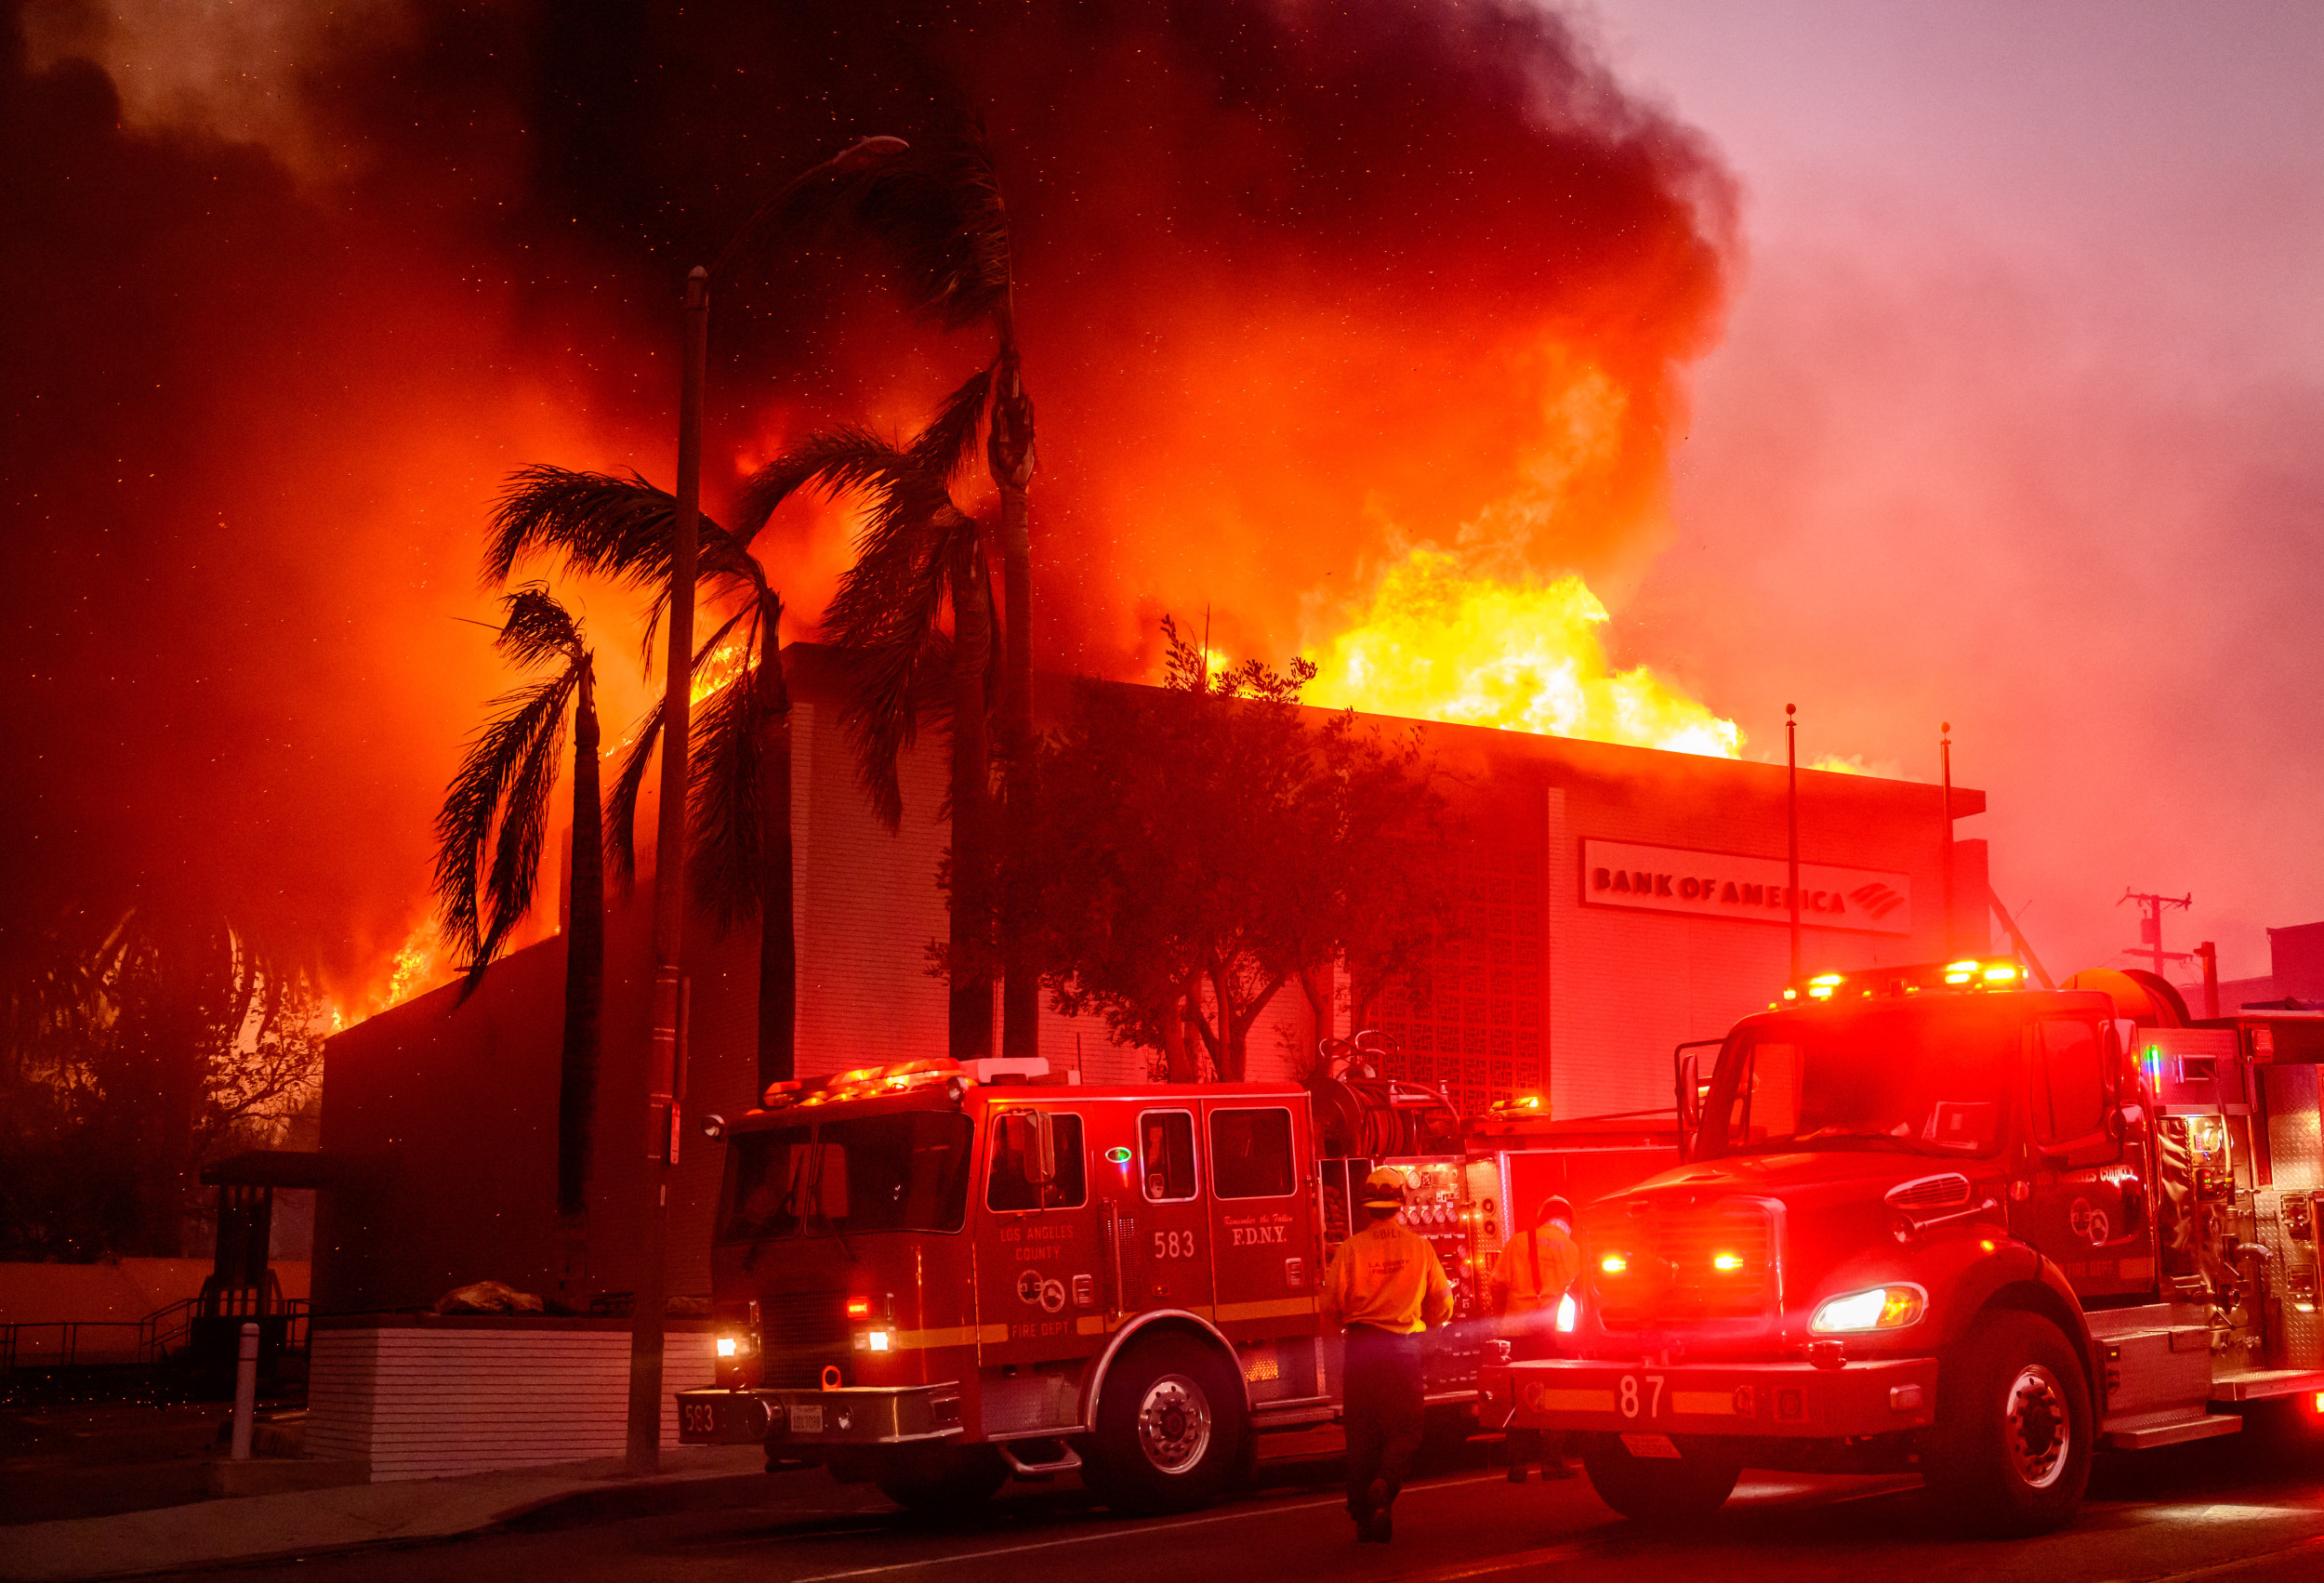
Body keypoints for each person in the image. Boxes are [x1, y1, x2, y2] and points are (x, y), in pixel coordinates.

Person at [1319, 1167, 1454, 1544]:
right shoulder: (1419, 1248)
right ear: (1402, 1203)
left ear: (1367, 1208)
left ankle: (1364, 1515)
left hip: (1361, 1350)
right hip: (1401, 1351)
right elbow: (1444, 1304)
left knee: (1362, 1436)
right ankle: (1385, 1487)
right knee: (1404, 1430)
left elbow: (1329, 1309)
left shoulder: (1349, 1249)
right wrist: (1428, 1325)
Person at [1491, 1194, 1582, 1482]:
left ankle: (1517, 1465)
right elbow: (1578, 1296)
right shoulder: (1571, 1248)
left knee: (1518, 1396)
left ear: (1542, 1217)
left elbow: (1497, 1285)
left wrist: (1499, 1321)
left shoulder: (1518, 1241)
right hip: (1553, 1336)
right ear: (1568, 1221)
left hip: (1518, 1334)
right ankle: (1552, 1463)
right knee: (1554, 1397)